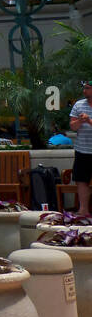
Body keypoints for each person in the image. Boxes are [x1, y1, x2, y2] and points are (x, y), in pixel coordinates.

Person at [68, 79, 92, 216]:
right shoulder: (78, 105)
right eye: (84, 88)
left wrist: (88, 120)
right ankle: (83, 210)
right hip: (82, 150)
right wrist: (80, 120)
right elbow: (72, 126)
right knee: (82, 180)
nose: (84, 91)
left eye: (88, 88)